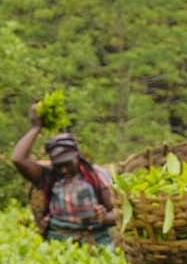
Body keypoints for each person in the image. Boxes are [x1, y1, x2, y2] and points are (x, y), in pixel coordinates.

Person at [10, 105, 118, 246]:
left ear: (77, 157)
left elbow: (117, 213)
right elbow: (18, 159)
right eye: (59, 165)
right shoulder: (48, 174)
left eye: (68, 164)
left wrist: (104, 218)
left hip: (95, 240)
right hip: (58, 240)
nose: (64, 170)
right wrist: (36, 128)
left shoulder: (97, 175)